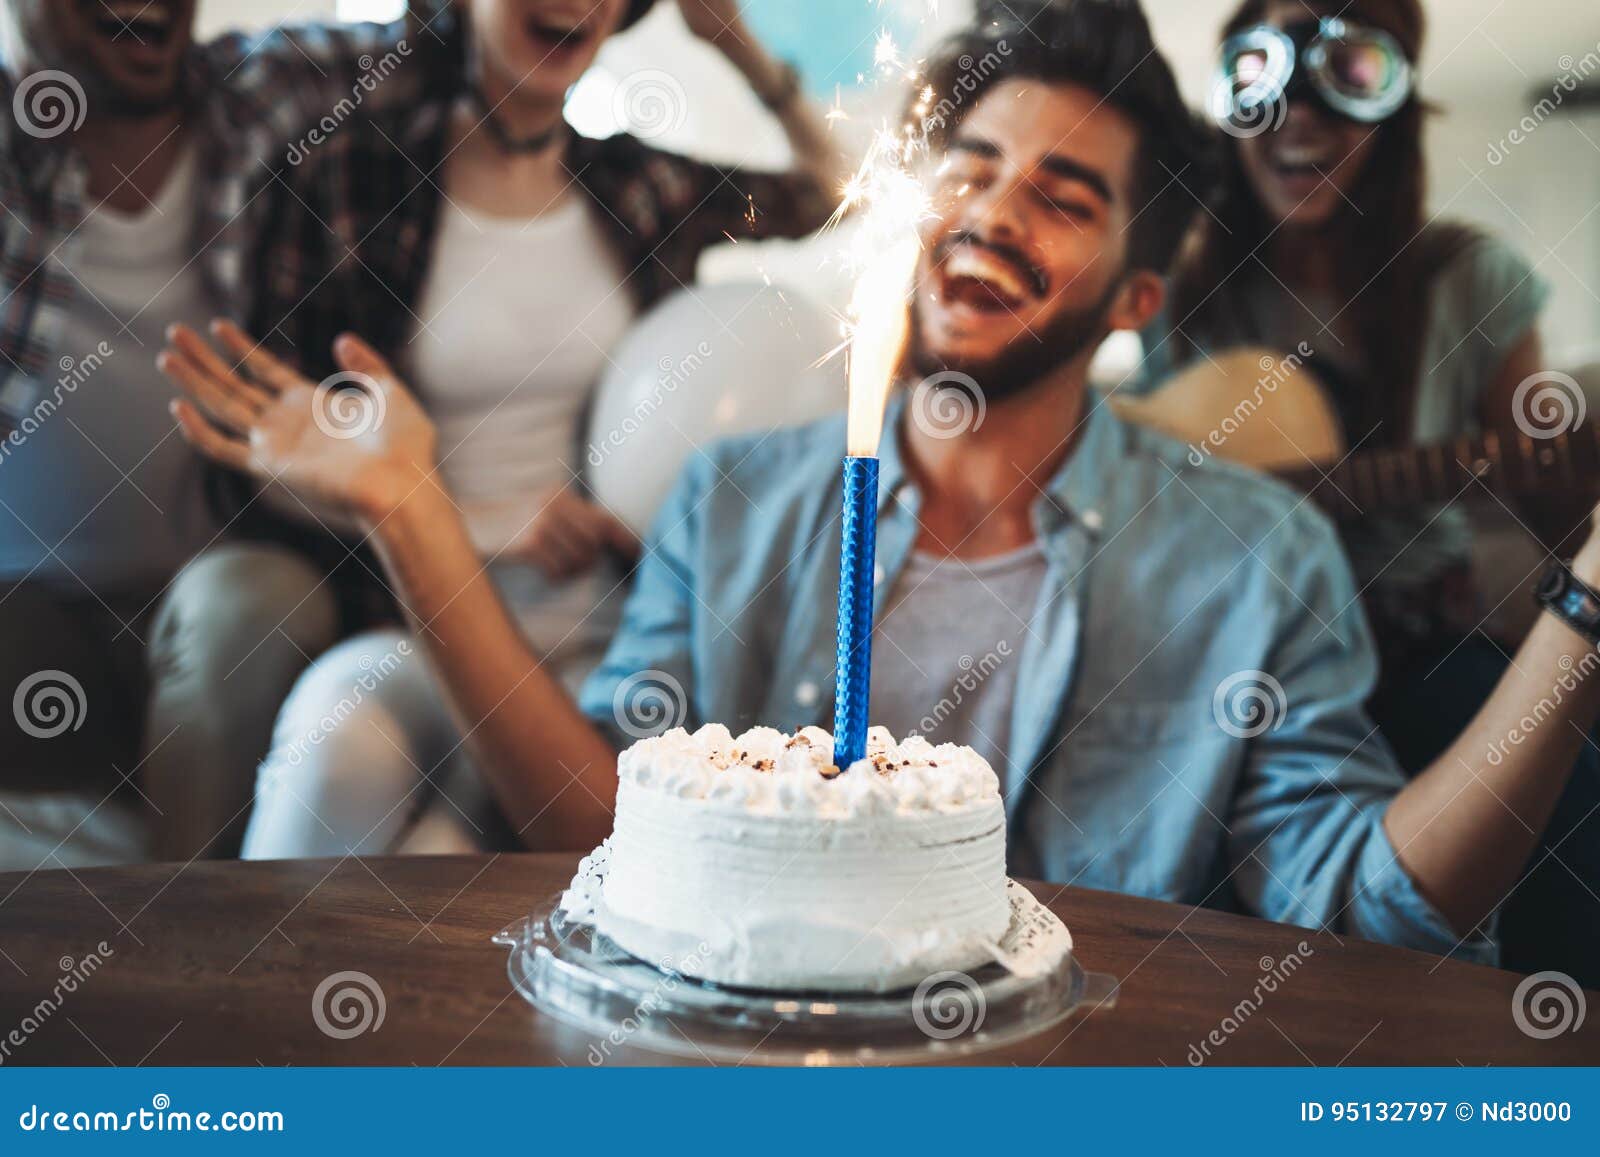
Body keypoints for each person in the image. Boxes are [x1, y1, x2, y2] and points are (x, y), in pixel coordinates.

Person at [159, 0, 1598, 962]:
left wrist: (1579, 616)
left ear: (1135, 294)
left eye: (1063, 193)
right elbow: (607, 832)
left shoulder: (1258, 557)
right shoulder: (732, 503)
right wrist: (416, 513)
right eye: (969, 169)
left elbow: (1365, 904)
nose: (991, 211)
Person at [231, 0, 845, 857]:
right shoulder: (352, 175)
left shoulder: (639, 184)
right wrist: (480, 526)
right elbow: (274, 459)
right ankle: (242, 991)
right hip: (418, 618)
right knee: (335, 747)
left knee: (447, 853)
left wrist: (732, 42)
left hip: (606, 640)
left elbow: (831, 187)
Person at [1137, 0, 1596, 980]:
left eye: (1345, 72)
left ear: (1393, 110)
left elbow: (1555, 509)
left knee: (1564, 796)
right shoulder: (1187, 289)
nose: (1299, 115)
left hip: (1419, 645)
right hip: (1240, 655)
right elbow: (1145, 479)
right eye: (1263, 76)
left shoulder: (1467, 279)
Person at [0, 2, 427, 862]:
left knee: (256, 604)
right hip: (27, 616)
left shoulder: (260, 92)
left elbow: (448, 38)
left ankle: (184, 930)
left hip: (211, 601)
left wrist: (742, 59)